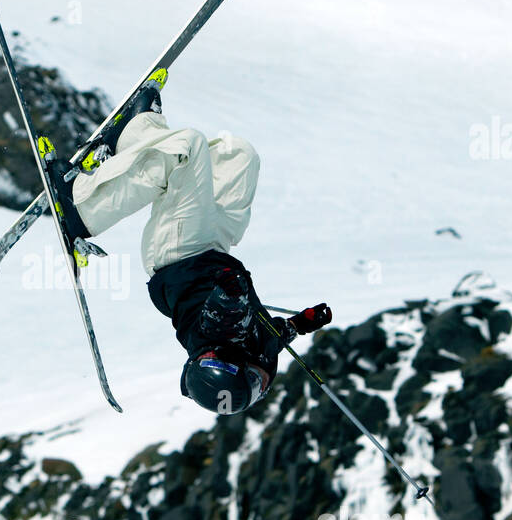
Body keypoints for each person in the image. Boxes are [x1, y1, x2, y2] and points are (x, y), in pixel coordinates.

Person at [49, 70, 331, 415]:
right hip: (213, 248)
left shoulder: (211, 337)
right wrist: (302, 323)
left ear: (223, 363)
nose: (261, 383)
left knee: (188, 147)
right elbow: (271, 335)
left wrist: (229, 296)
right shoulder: (256, 350)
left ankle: (82, 209)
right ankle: (138, 130)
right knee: (239, 156)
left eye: (253, 384)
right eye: (258, 389)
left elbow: (221, 320)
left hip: (178, 252)